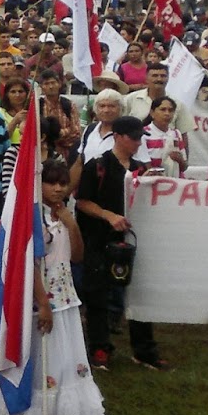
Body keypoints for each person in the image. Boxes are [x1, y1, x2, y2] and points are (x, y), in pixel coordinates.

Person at [0, 161, 120, 415]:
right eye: (51, 183)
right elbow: (29, 263)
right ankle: (36, 412)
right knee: (45, 356)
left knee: (67, 357)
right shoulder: (33, 218)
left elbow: (77, 256)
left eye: (63, 183)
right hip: (43, 298)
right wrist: (43, 302)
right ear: (39, 184)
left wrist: (71, 224)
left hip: (66, 295)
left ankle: (66, 413)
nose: (58, 188)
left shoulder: (63, 214)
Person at [75, 116, 164, 370]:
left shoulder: (141, 169)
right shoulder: (97, 166)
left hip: (133, 240)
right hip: (99, 239)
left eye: (139, 138)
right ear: (117, 137)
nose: (137, 143)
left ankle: (144, 349)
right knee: (97, 296)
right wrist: (108, 216)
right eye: (133, 138)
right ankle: (100, 347)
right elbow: (82, 201)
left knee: (140, 292)